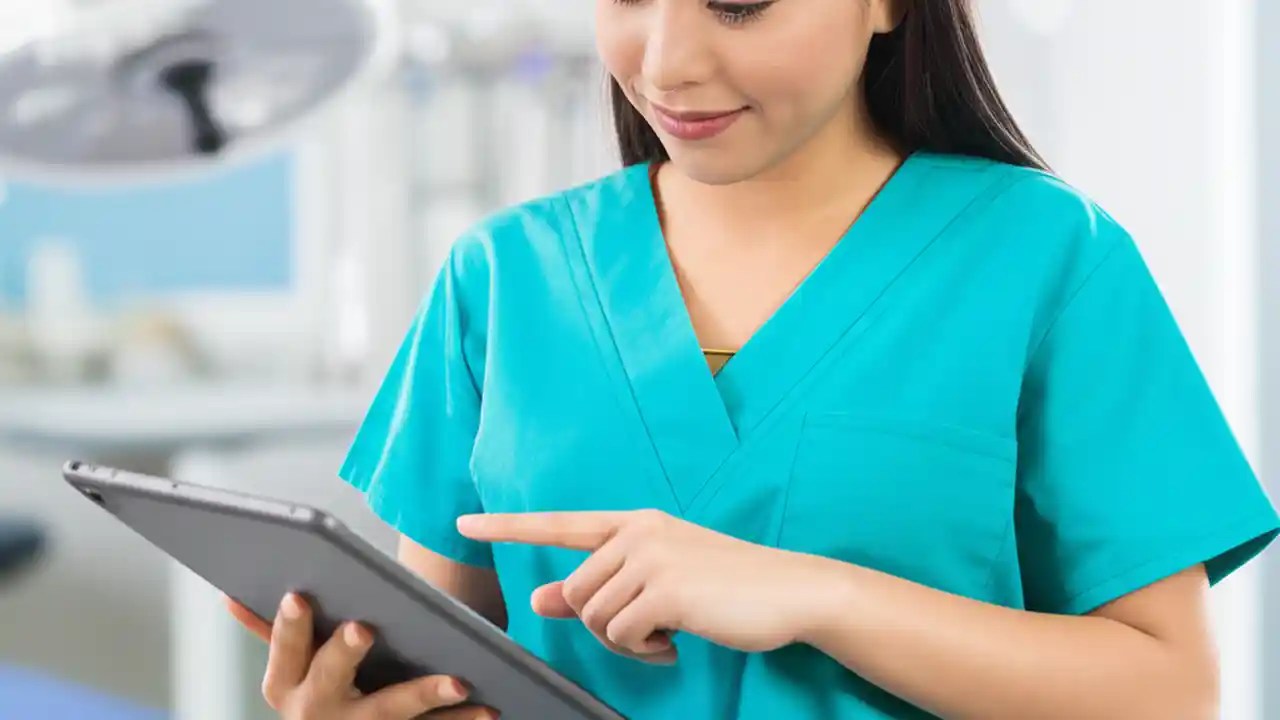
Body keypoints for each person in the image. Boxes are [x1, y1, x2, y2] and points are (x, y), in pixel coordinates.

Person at [228, 1, 1280, 718]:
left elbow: (1166, 689)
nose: (665, 62)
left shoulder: (1044, 261)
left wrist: (812, 596)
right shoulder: (502, 277)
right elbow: (447, 664)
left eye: (739, 0)